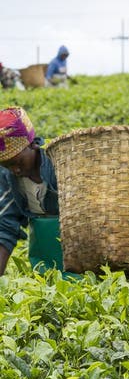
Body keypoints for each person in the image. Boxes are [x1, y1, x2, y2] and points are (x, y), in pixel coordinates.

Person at [0, 106, 62, 275]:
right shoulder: (8, 178)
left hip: (80, 260)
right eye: (6, 165)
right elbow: (6, 227)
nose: (15, 171)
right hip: (43, 264)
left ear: (33, 145)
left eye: (18, 162)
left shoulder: (60, 164)